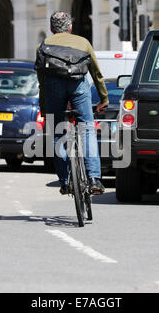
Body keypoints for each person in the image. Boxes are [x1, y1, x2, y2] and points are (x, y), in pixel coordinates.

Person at [35, 11, 108, 195]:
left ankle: (65, 181)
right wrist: (103, 99)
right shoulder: (83, 42)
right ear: (70, 27)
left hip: (53, 88)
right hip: (78, 86)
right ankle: (93, 179)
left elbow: (41, 83)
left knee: (57, 131)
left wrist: (44, 110)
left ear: (51, 28)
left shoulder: (43, 46)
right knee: (87, 128)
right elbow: (96, 74)